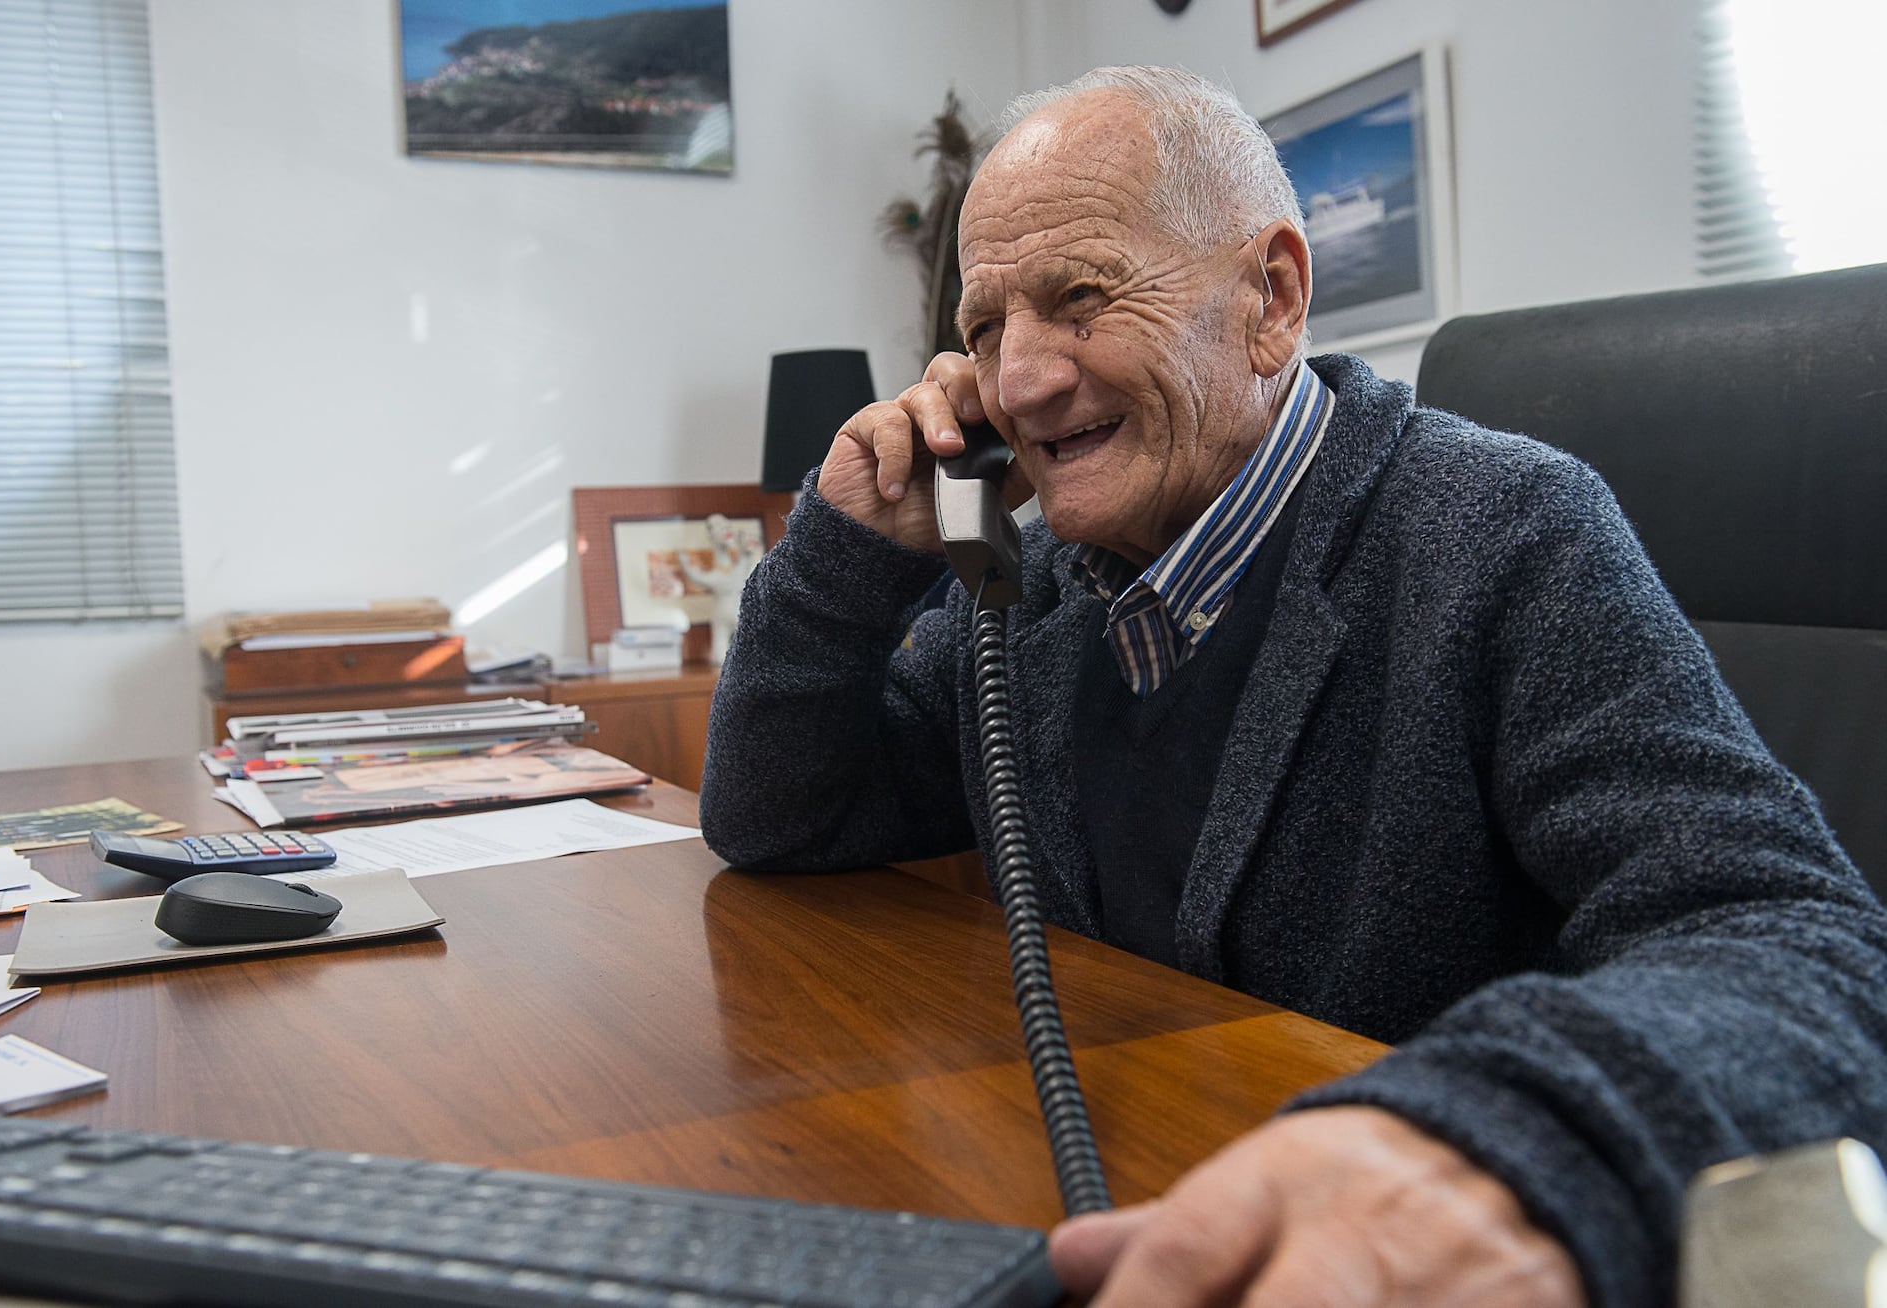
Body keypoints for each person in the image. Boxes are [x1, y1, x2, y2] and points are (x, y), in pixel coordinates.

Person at [699, 66, 1887, 1307]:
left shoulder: (1499, 531)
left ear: (1270, 299)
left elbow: (1798, 945)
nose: (1023, 383)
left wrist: (1512, 1137)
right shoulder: (1035, 582)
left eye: (1082, 299)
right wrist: (844, 562)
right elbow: (782, 820)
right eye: (987, 329)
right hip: (1132, 1198)